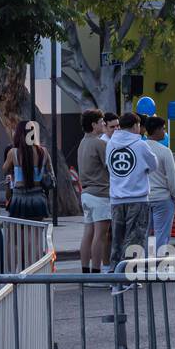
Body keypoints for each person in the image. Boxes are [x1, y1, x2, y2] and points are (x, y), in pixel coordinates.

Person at [105, 113, 155, 285]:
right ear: (135, 125)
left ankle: (114, 273)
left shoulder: (110, 144)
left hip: (116, 199)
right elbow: (153, 164)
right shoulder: (141, 145)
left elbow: (109, 166)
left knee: (117, 238)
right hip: (138, 197)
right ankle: (129, 276)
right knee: (135, 238)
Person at [76, 111, 113, 274]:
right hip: (100, 193)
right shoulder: (99, 144)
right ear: (93, 125)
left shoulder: (82, 143)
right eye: (101, 122)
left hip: (86, 193)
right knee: (101, 235)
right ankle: (97, 271)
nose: (103, 125)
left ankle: (85, 271)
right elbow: (111, 167)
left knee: (88, 233)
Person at [143, 116, 175, 257]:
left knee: (144, 234)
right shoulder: (165, 151)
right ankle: (158, 263)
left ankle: (144, 263)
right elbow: (171, 178)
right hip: (163, 197)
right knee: (161, 234)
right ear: (156, 130)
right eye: (163, 129)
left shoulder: (140, 149)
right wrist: (174, 196)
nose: (164, 132)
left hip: (144, 197)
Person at [4, 121, 52, 222]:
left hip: (19, 198)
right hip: (38, 197)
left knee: (20, 233)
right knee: (36, 231)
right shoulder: (43, 152)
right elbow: (51, 174)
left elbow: (4, 169)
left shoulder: (14, 152)